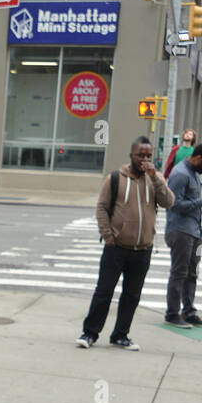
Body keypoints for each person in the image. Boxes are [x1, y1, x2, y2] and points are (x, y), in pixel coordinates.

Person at [76, 137, 173, 351]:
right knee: (104, 292)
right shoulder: (115, 179)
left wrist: (155, 177)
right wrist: (108, 236)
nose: (145, 159)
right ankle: (90, 333)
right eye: (141, 155)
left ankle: (120, 335)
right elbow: (101, 207)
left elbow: (168, 202)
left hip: (143, 250)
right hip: (117, 248)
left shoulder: (154, 179)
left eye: (148, 155)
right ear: (131, 155)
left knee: (131, 296)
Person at [164, 141, 202, 327]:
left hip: (192, 230)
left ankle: (188, 312)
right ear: (198, 158)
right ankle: (172, 313)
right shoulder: (180, 174)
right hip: (180, 230)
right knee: (179, 273)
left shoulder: (193, 173)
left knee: (191, 273)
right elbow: (174, 204)